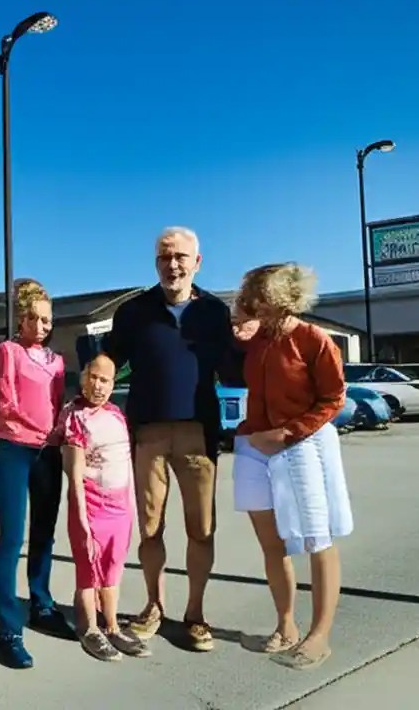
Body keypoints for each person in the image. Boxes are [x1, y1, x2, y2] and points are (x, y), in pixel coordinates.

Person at [105, 226, 241, 652]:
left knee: (201, 529)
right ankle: (152, 606)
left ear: (197, 262)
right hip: (148, 434)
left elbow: (234, 370)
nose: (173, 264)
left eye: (181, 256)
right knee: (150, 529)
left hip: (198, 433)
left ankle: (196, 615)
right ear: (155, 263)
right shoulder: (133, 312)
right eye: (165, 257)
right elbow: (109, 359)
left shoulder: (215, 313)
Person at [230, 262, 348, 671]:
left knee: (318, 538)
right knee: (271, 544)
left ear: (282, 296)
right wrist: (242, 322)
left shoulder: (314, 339)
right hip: (252, 446)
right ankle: (286, 626)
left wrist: (290, 432)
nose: (253, 302)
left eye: (260, 295)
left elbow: (334, 398)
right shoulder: (257, 339)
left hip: (302, 445)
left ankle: (320, 634)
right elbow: (233, 332)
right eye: (251, 295)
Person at [0, 278, 76, 669]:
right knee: (12, 537)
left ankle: (41, 605)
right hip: (12, 448)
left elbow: (57, 405)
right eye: (35, 319)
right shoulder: (8, 351)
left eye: (47, 320)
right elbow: (7, 403)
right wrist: (42, 429)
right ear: (21, 319)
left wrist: (61, 430)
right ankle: (8, 629)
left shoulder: (57, 362)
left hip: (47, 452)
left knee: (45, 531)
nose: (42, 327)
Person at [51, 353, 151, 662]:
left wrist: (132, 507)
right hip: (91, 504)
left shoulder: (117, 415)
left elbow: (127, 464)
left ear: (112, 384)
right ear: (83, 380)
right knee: (88, 568)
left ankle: (111, 625)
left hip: (120, 505)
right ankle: (90, 628)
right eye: (93, 377)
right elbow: (75, 475)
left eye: (105, 380)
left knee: (112, 568)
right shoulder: (74, 416)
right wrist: (81, 519)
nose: (98, 385)